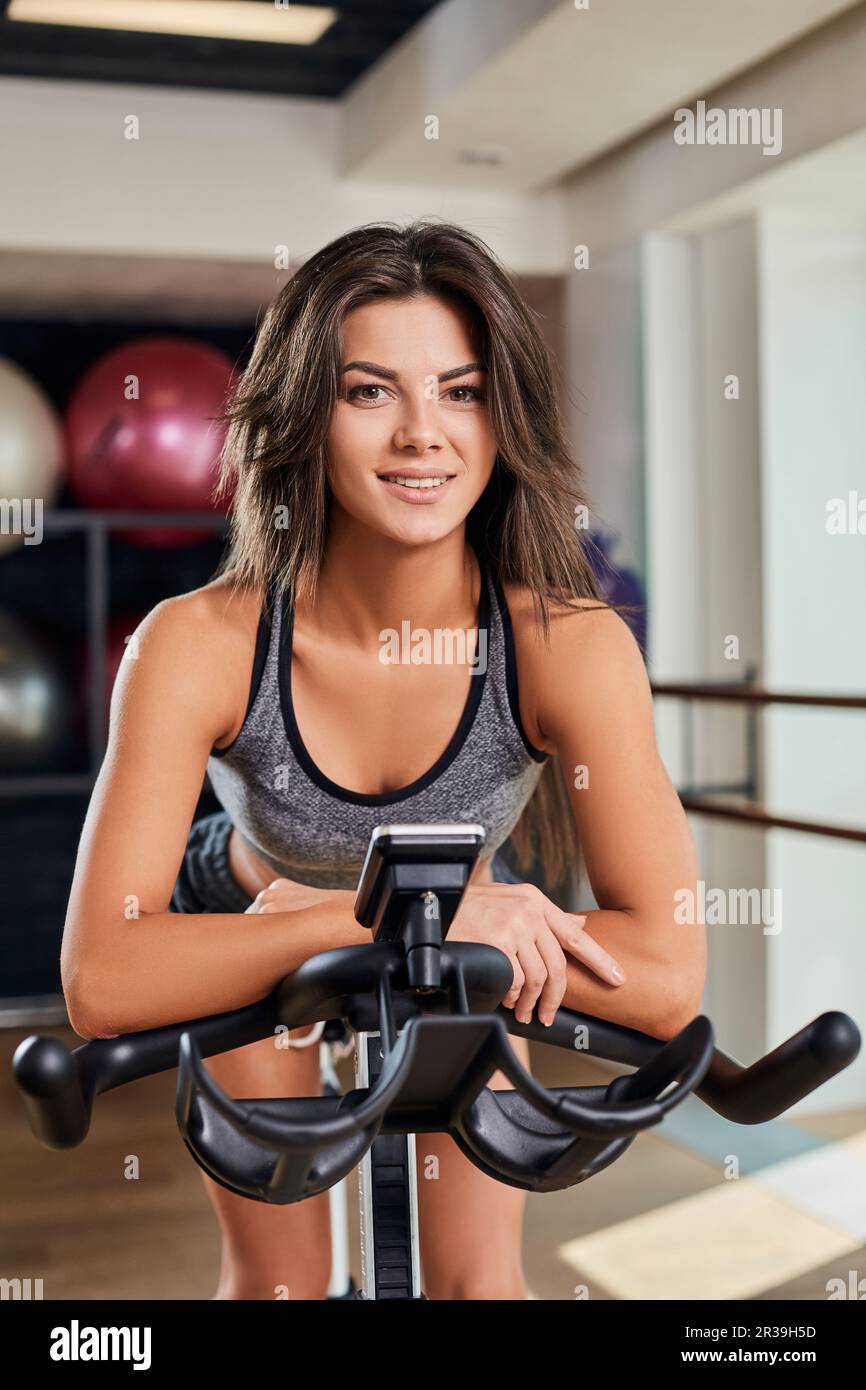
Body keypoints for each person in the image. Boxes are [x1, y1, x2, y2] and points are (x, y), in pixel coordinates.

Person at [61, 219, 706, 1301]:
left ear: (502, 417)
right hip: (246, 922)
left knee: (474, 1287)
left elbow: (667, 975)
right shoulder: (197, 642)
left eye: (459, 390)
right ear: (304, 412)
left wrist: (450, 920)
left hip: (468, 932)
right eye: (369, 392)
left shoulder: (568, 643)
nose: (423, 434)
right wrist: (367, 920)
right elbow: (102, 978)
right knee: (281, 1286)